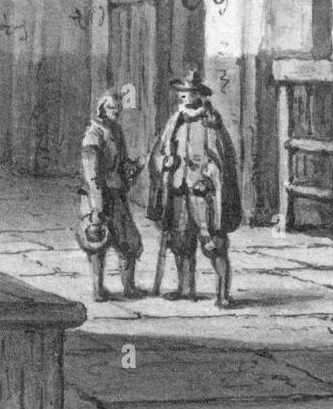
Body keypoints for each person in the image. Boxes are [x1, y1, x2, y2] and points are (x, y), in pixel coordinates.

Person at [146, 69, 241, 308]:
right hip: (178, 189)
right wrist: (164, 162)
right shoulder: (175, 121)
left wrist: (207, 178)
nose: (182, 97)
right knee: (180, 239)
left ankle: (223, 294)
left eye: (187, 93)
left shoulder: (210, 123)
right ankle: (185, 288)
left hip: (204, 194)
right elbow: (160, 152)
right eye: (180, 93)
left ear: (199, 94)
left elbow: (219, 159)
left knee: (214, 242)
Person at [77, 88, 145, 302]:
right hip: (99, 195)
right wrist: (96, 207)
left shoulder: (115, 129)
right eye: (110, 107)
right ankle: (98, 290)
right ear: (102, 109)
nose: (115, 111)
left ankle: (129, 286)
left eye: (118, 107)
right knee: (97, 241)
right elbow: (92, 174)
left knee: (129, 241)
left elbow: (121, 163)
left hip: (117, 194)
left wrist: (131, 168)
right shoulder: (94, 133)